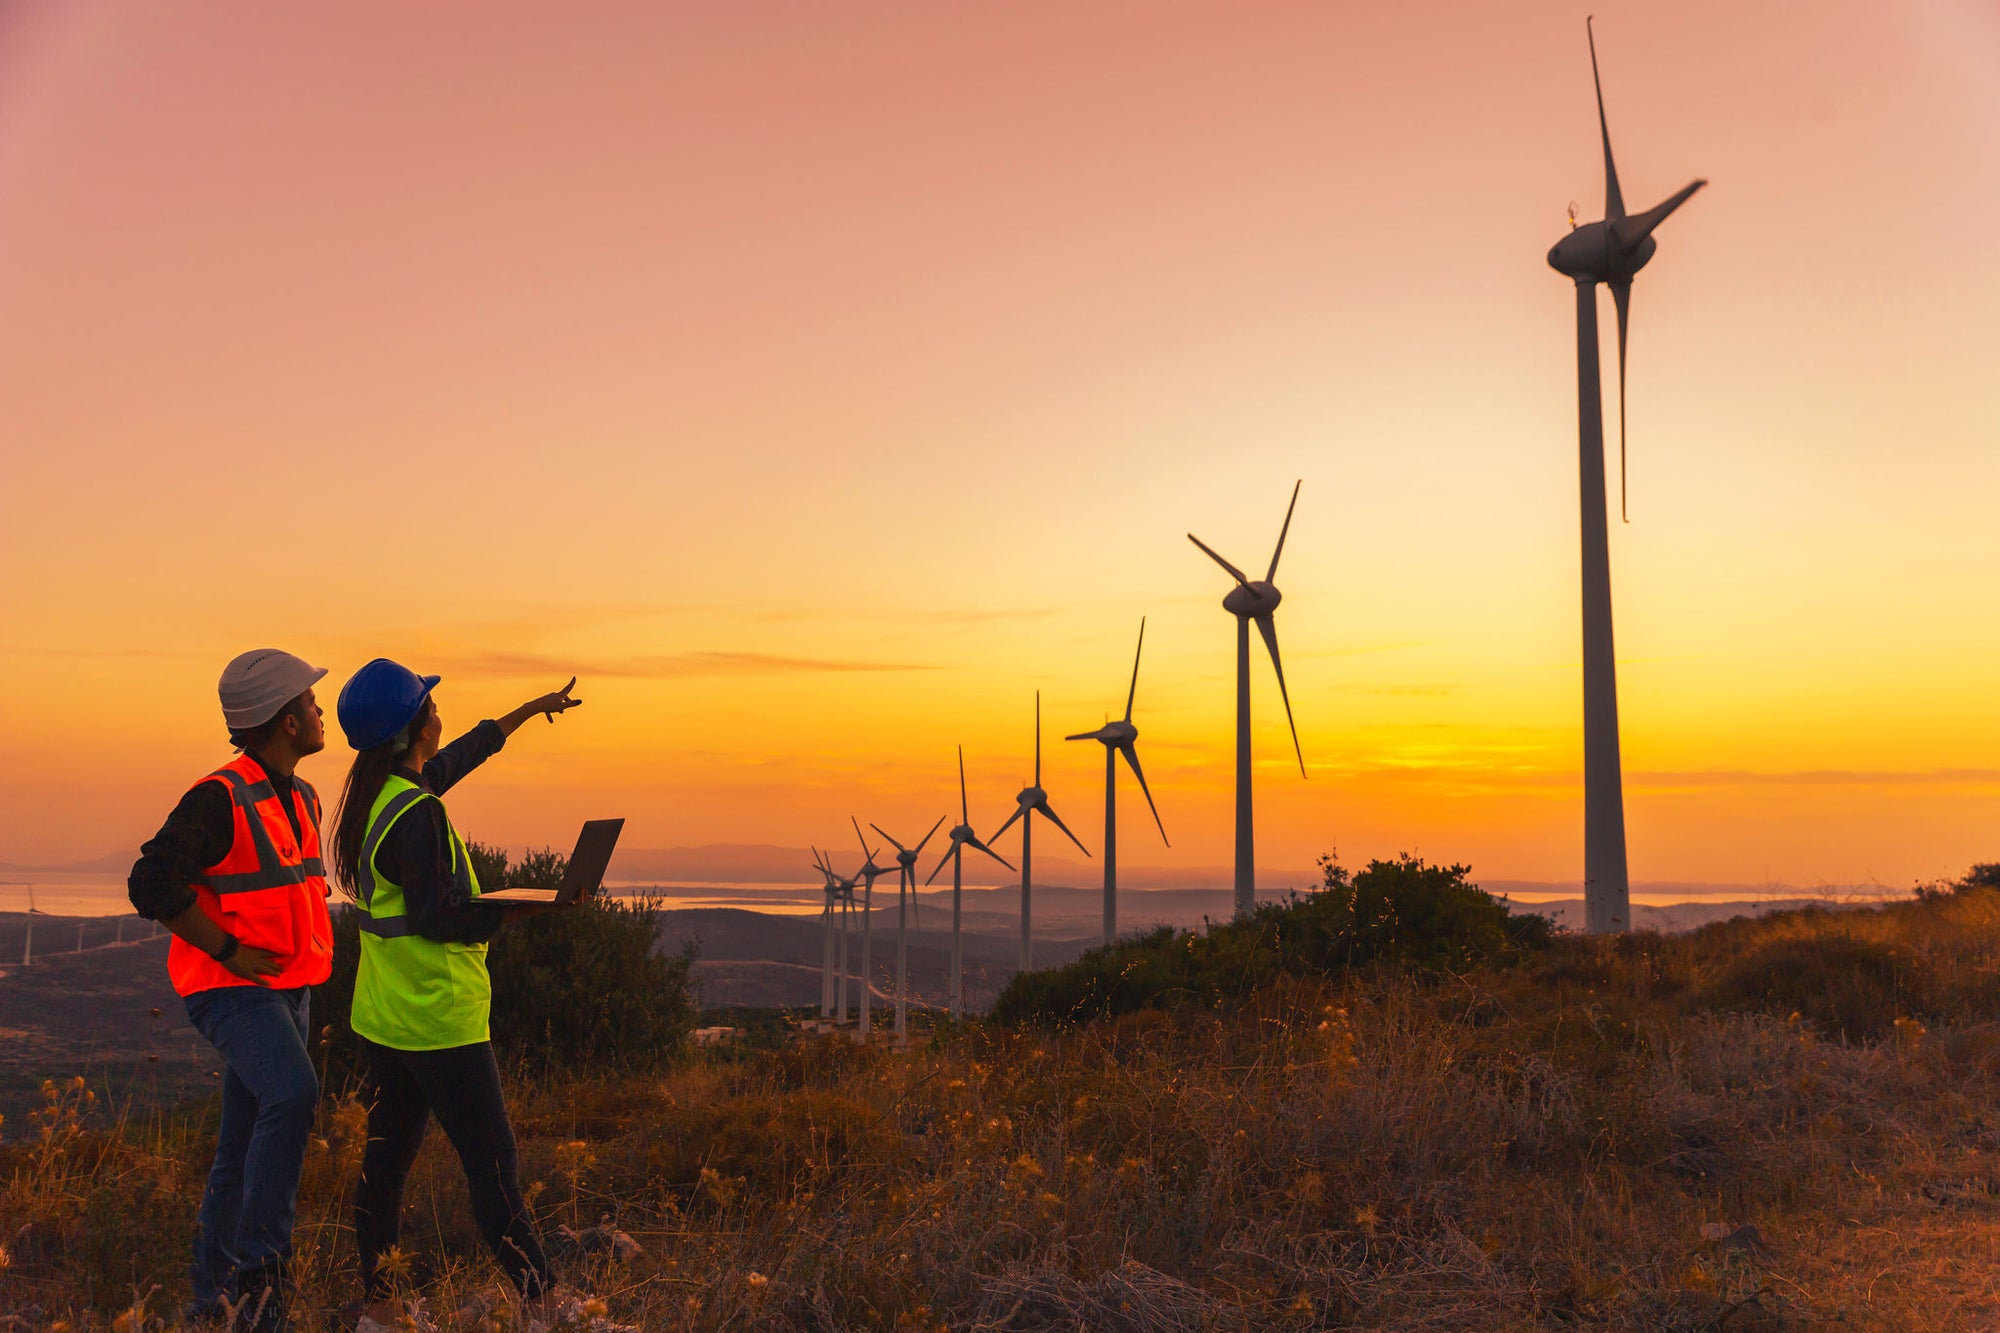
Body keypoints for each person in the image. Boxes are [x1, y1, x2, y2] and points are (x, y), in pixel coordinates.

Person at [328, 658, 583, 1328]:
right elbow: (442, 918)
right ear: (416, 726)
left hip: (385, 1019)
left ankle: (379, 1311)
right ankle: (544, 1303)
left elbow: (463, 753)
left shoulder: (379, 795)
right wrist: (527, 908)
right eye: (431, 706)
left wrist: (528, 710)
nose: (440, 714)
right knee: (493, 1168)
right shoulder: (416, 814)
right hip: (439, 1020)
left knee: (383, 1167)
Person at [128, 648, 335, 1332]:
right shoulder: (218, 795)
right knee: (294, 1093)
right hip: (230, 985)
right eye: (309, 702)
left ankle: (211, 1298)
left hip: (286, 988)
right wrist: (225, 948)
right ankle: (262, 1283)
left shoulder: (300, 795)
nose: (318, 709)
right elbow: (151, 884)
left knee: (242, 1141)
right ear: (283, 719)